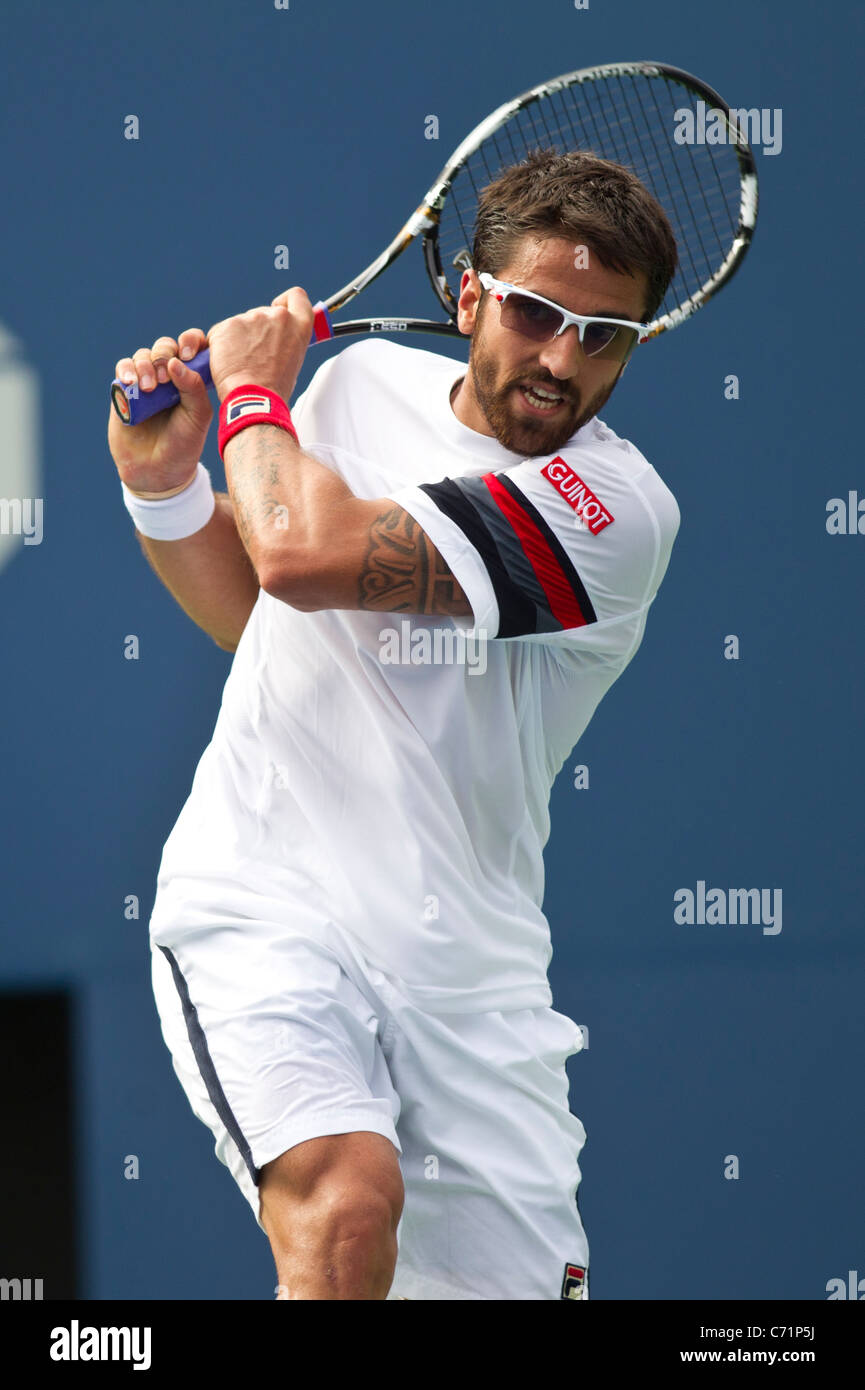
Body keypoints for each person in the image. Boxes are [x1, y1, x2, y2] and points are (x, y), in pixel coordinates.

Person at [108, 149, 680, 1301]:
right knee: (344, 1207)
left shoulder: (617, 513)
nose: (561, 360)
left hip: (469, 988)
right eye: (536, 312)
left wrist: (257, 398)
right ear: (469, 295)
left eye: (602, 334)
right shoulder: (360, 384)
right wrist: (164, 486)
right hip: (263, 901)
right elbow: (260, 613)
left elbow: (301, 553)